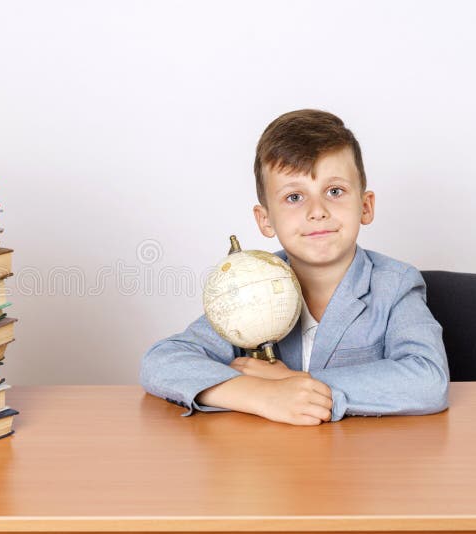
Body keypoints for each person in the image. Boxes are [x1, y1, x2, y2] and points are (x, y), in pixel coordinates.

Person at [139, 109, 449, 425]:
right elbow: (161, 361)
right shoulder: (250, 286)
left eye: (335, 191)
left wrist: (296, 382)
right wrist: (260, 394)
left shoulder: (395, 285)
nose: (317, 211)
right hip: (275, 454)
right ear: (265, 220)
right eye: (294, 197)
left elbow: (428, 380)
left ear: (365, 206)